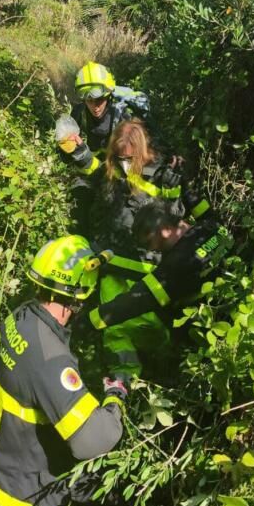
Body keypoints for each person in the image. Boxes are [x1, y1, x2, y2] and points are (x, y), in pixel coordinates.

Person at [0, 235, 130, 506]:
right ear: (82, 290)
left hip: (6, 470)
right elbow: (92, 441)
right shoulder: (52, 360)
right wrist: (116, 398)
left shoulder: (21, 318)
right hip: (21, 505)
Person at [91, 119, 209, 384]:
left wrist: (171, 191)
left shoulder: (161, 172)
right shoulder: (112, 173)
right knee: (115, 327)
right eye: (118, 157)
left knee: (155, 329)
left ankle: (165, 376)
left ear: (141, 151)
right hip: (115, 264)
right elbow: (103, 211)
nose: (123, 163)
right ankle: (125, 384)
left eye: (128, 158)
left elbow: (173, 218)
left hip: (149, 265)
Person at [88, 199, 231, 331]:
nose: (151, 250)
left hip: (219, 324)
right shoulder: (212, 225)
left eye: (149, 242)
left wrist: (90, 320)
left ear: (165, 229)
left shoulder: (176, 265)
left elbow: (136, 301)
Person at [57, 61, 150, 232]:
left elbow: (130, 170)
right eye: (89, 99)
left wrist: (84, 156)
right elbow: (65, 157)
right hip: (91, 173)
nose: (95, 105)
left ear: (108, 94)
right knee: (78, 207)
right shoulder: (79, 113)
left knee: (122, 216)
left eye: (99, 99)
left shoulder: (124, 116)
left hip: (123, 174)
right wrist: (65, 148)